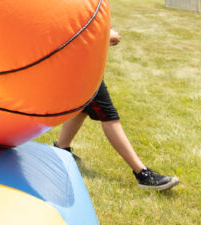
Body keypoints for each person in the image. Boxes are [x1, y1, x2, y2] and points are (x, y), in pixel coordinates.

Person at [53, 27, 180, 190]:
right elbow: (73, 33)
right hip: (82, 69)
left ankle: (62, 148)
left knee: (84, 107)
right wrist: (105, 36)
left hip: (84, 65)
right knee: (109, 116)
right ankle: (142, 174)